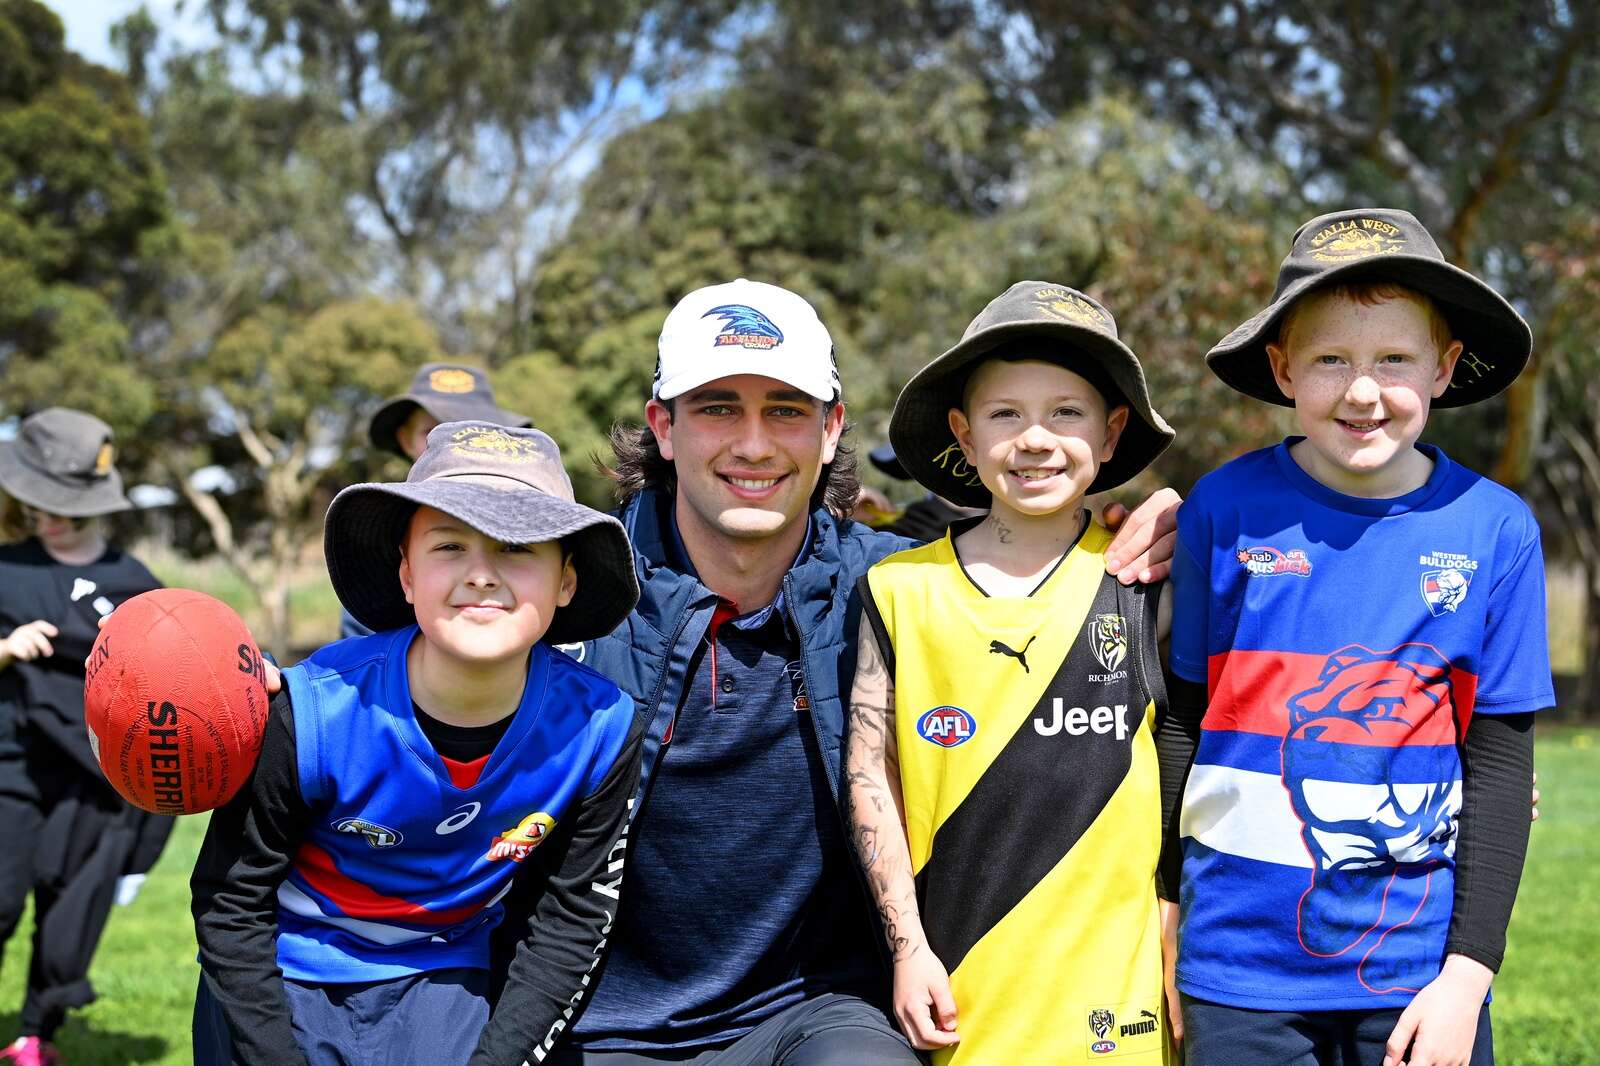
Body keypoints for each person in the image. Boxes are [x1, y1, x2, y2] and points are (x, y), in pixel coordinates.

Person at [515, 278, 1181, 1064]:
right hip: (607, 1025)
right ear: (664, 427)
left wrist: (1182, 530)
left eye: (787, 411)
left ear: (831, 429)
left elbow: (1021, 555)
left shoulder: (893, 588)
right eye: (718, 407)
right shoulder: (569, 606)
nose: (755, 443)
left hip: (822, 1013)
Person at [1165, 208, 1554, 1066]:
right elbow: (1182, 725)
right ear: (1282, 367)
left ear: (1445, 368)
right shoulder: (1222, 511)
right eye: (1331, 358)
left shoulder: (1497, 530)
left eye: (1394, 359)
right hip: (1236, 973)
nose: (1362, 390)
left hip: (1418, 981)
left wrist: (1466, 980)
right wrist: (1164, 919)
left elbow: (1498, 762)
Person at [190, 421, 643, 1066]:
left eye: (517, 548)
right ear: (406, 574)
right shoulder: (314, 710)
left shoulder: (600, 731)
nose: (482, 574)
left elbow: (570, 920)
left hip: (443, 974)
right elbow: (231, 902)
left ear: (566, 580)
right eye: (450, 546)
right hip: (282, 971)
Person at [847, 281, 1180, 1064]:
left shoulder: (1151, 580)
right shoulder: (898, 590)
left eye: (1067, 412)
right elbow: (870, 772)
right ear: (963, 436)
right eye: (1006, 414)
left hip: (1119, 1003)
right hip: (958, 993)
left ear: (1112, 430)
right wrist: (907, 949)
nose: (1037, 439)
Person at [0, 408, 173, 1066]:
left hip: (96, 775)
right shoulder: (6, 568)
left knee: (70, 913)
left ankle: (33, 1038)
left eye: (67, 508)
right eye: (40, 503)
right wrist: (7, 649)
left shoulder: (137, 585)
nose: (51, 519)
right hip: (11, 761)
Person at [340, 364, 535, 639]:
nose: (452, 443)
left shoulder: (536, 527)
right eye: (433, 431)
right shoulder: (376, 545)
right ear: (405, 439)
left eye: (471, 432)